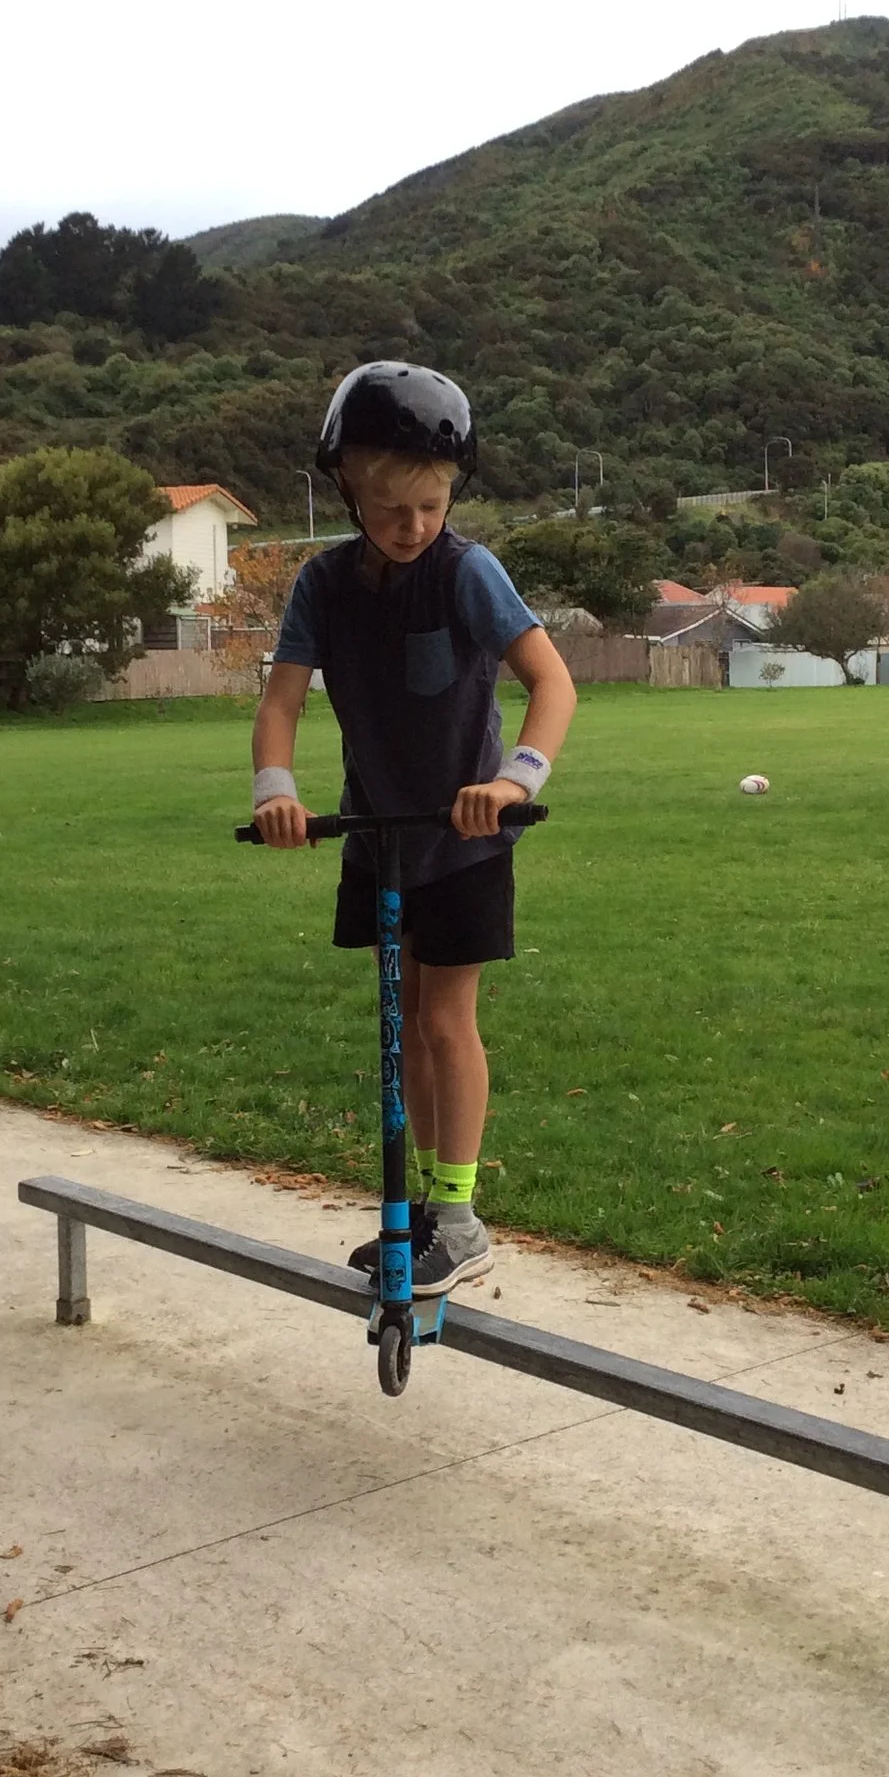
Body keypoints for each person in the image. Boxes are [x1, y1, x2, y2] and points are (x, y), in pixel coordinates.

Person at [249, 362, 578, 1295]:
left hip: (465, 838)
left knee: (444, 1018)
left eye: (431, 505)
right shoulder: (322, 586)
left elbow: (552, 683)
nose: (413, 526)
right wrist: (278, 790)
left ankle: (462, 1218)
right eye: (393, 507)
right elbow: (280, 704)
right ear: (349, 490)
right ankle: (426, 1207)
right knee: (402, 1028)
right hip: (378, 836)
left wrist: (514, 781)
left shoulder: (467, 572)